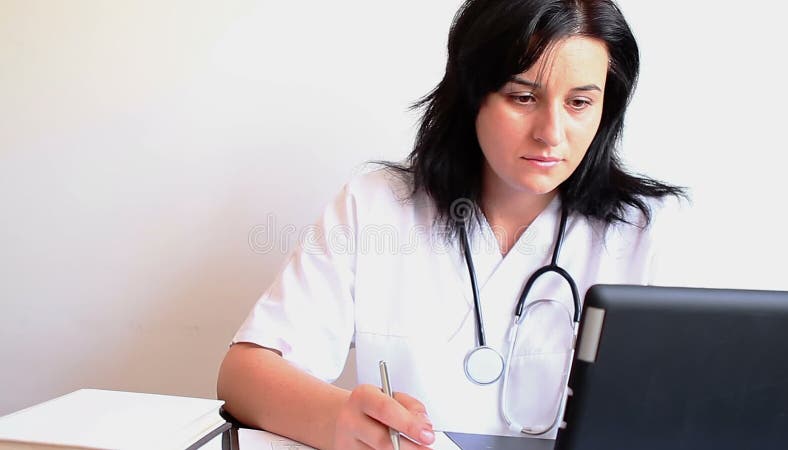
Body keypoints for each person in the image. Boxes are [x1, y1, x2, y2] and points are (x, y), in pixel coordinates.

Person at [217, 0, 686, 449]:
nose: (552, 133)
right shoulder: (378, 205)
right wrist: (341, 420)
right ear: (470, 93)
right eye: (523, 97)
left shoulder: (648, 230)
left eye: (580, 103)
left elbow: (691, 411)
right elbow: (243, 374)